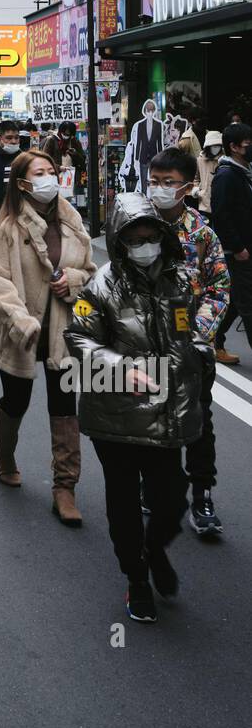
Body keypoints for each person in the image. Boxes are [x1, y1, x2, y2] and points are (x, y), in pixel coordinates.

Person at [65, 194, 208, 623]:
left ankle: (153, 548)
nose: (144, 246)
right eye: (135, 239)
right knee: (124, 501)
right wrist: (120, 368)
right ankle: (136, 576)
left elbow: (188, 329)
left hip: (167, 410)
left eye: (151, 237)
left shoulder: (180, 280)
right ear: (120, 241)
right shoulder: (101, 286)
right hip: (115, 412)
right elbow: (79, 338)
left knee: (171, 501)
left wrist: (200, 353)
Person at [0, 149, 95, 526]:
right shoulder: (5, 230)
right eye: (40, 172)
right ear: (22, 183)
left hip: (65, 330)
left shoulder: (73, 222)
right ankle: (5, 455)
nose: (50, 177)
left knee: (65, 406)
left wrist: (75, 282)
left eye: (52, 170)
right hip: (22, 331)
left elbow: (91, 271)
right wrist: (22, 322)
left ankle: (65, 486)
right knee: (16, 400)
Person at [147, 146, 229, 531]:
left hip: (193, 351)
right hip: (145, 347)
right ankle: (153, 490)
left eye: (169, 183)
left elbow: (219, 288)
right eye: (154, 182)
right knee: (150, 419)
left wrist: (199, 337)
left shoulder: (202, 233)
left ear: (188, 187)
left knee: (198, 422)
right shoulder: (135, 225)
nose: (160, 189)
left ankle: (202, 496)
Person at [211, 121, 252, 362]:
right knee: (247, 302)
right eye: (248, 144)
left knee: (237, 302)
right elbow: (222, 215)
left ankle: (213, 339)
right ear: (234, 147)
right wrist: (238, 248)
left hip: (245, 247)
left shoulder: (244, 172)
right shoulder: (226, 175)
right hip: (238, 251)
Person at [194, 129, 223, 220]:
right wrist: (198, 191)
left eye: (218, 145)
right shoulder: (200, 160)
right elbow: (196, 178)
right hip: (204, 203)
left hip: (221, 202)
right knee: (206, 231)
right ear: (207, 146)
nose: (216, 148)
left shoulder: (224, 159)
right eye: (213, 146)